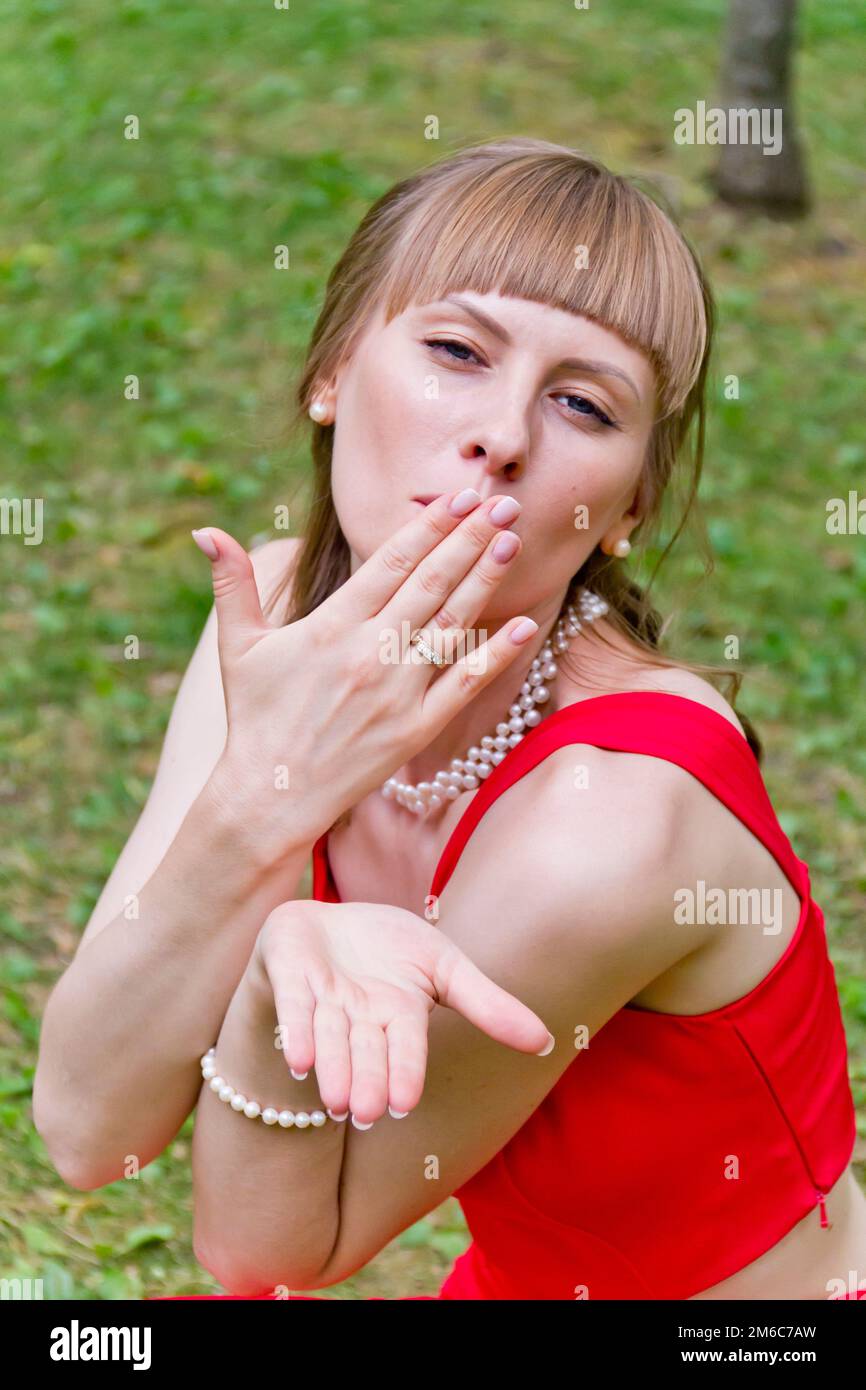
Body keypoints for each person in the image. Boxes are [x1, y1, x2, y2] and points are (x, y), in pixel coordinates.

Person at [33, 138, 866, 1301]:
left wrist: (275, 985)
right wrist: (255, 796)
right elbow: (86, 1131)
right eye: (455, 351)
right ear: (329, 372)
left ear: (626, 504)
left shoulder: (612, 818)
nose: (504, 434)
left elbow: (270, 1249)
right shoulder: (273, 619)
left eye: (581, 402)